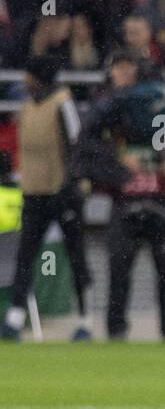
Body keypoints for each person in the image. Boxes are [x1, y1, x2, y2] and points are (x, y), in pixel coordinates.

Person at [80, 54, 165, 341]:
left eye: (127, 69)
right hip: (125, 201)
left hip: (161, 200)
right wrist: (118, 163)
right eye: (117, 68)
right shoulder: (105, 109)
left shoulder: (160, 104)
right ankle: (116, 332)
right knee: (118, 271)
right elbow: (86, 148)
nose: (122, 74)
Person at [1, 55, 93, 342]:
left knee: (76, 256)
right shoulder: (28, 108)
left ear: (38, 78)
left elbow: (77, 143)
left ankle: (85, 318)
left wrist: (71, 183)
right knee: (25, 255)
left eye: (29, 76)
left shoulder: (62, 103)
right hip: (34, 192)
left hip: (61, 193)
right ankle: (15, 317)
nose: (25, 82)